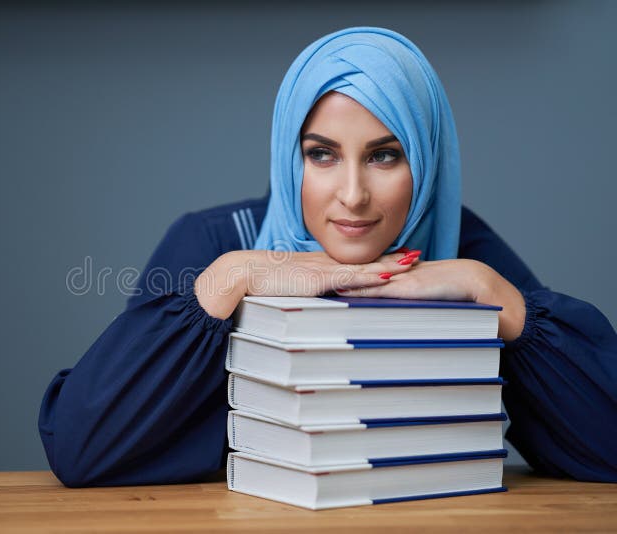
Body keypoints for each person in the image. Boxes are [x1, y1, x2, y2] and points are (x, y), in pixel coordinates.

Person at [38, 27, 617, 487]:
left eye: (385, 156)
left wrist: (499, 297)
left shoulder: (460, 247)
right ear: (291, 157)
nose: (353, 194)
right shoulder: (217, 241)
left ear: (426, 156)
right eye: (322, 155)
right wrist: (234, 278)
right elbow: (81, 448)